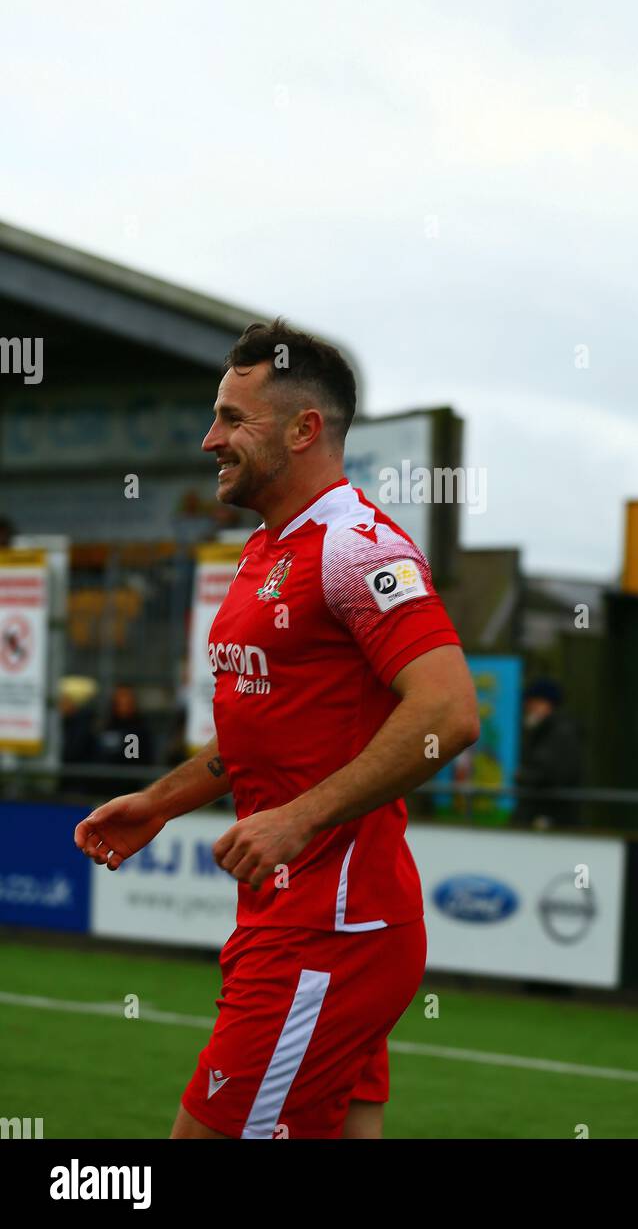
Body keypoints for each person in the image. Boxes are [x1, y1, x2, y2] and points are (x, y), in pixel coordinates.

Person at [74, 319, 479, 1141]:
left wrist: (298, 818)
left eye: (232, 418)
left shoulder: (357, 549)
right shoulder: (266, 551)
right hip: (301, 922)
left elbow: (448, 712)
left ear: (305, 429)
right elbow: (266, 736)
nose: (208, 438)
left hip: (330, 933)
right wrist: (159, 801)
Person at [513, 677, 582, 828]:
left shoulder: (558, 732)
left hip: (548, 817)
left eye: (533, 703)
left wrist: (522, 775)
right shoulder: (547, 731)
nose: (528, 707)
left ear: (546, 704)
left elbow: (550, 772)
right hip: (544, 814)